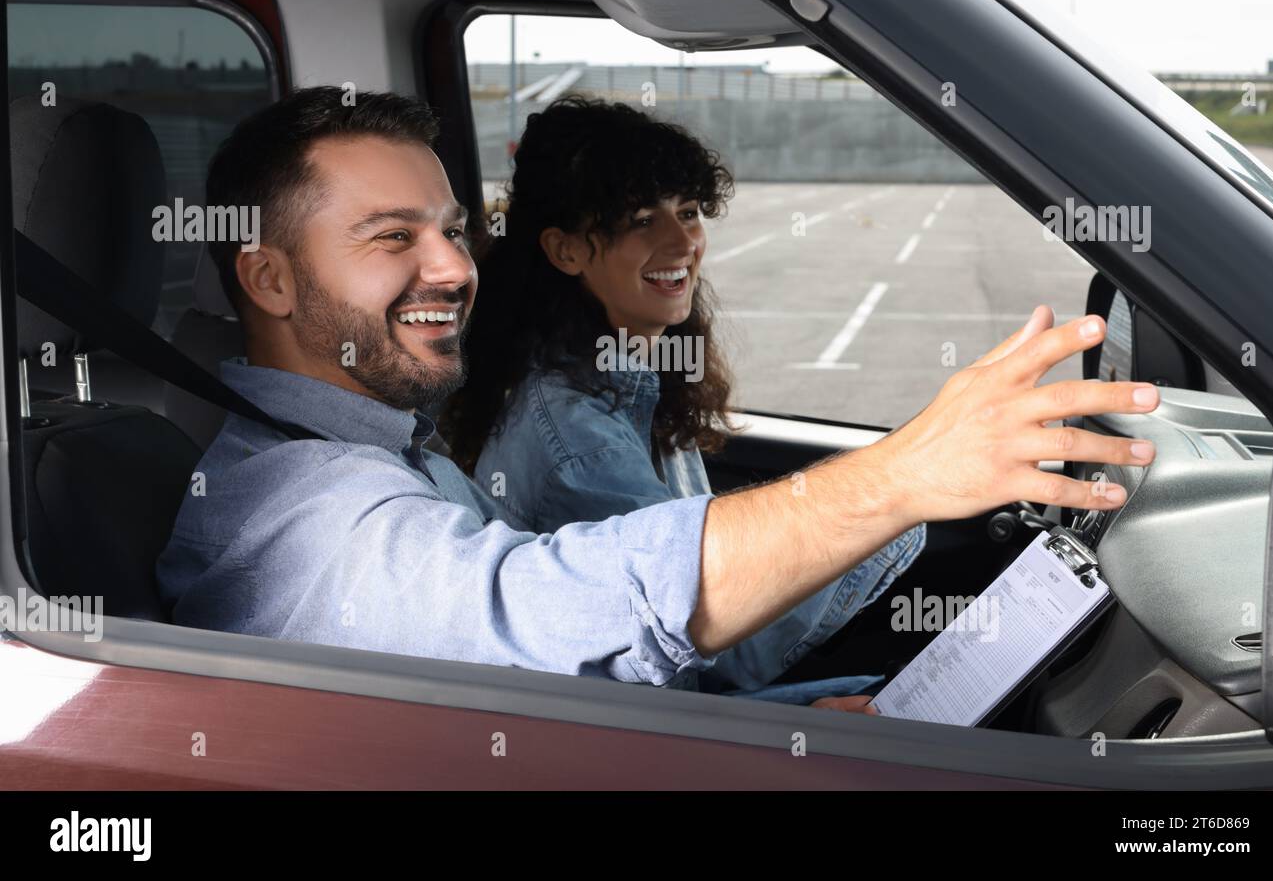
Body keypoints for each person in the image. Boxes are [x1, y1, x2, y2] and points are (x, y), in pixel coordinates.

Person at [157, 87, 1159, 714]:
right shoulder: (306, 512)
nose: (454, 269)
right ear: (272, 280)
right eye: (390, 238)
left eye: (452, 231)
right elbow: (546, 621)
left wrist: (799, 719)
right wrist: (898, 482)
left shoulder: (383, 447)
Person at [438, 97, 924, 707]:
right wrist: (892, 494)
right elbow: (713, 647)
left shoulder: (625, 373)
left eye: (689, 212)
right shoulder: (577, 435)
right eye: (639, 219)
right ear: (567, 250)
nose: (681, 242)